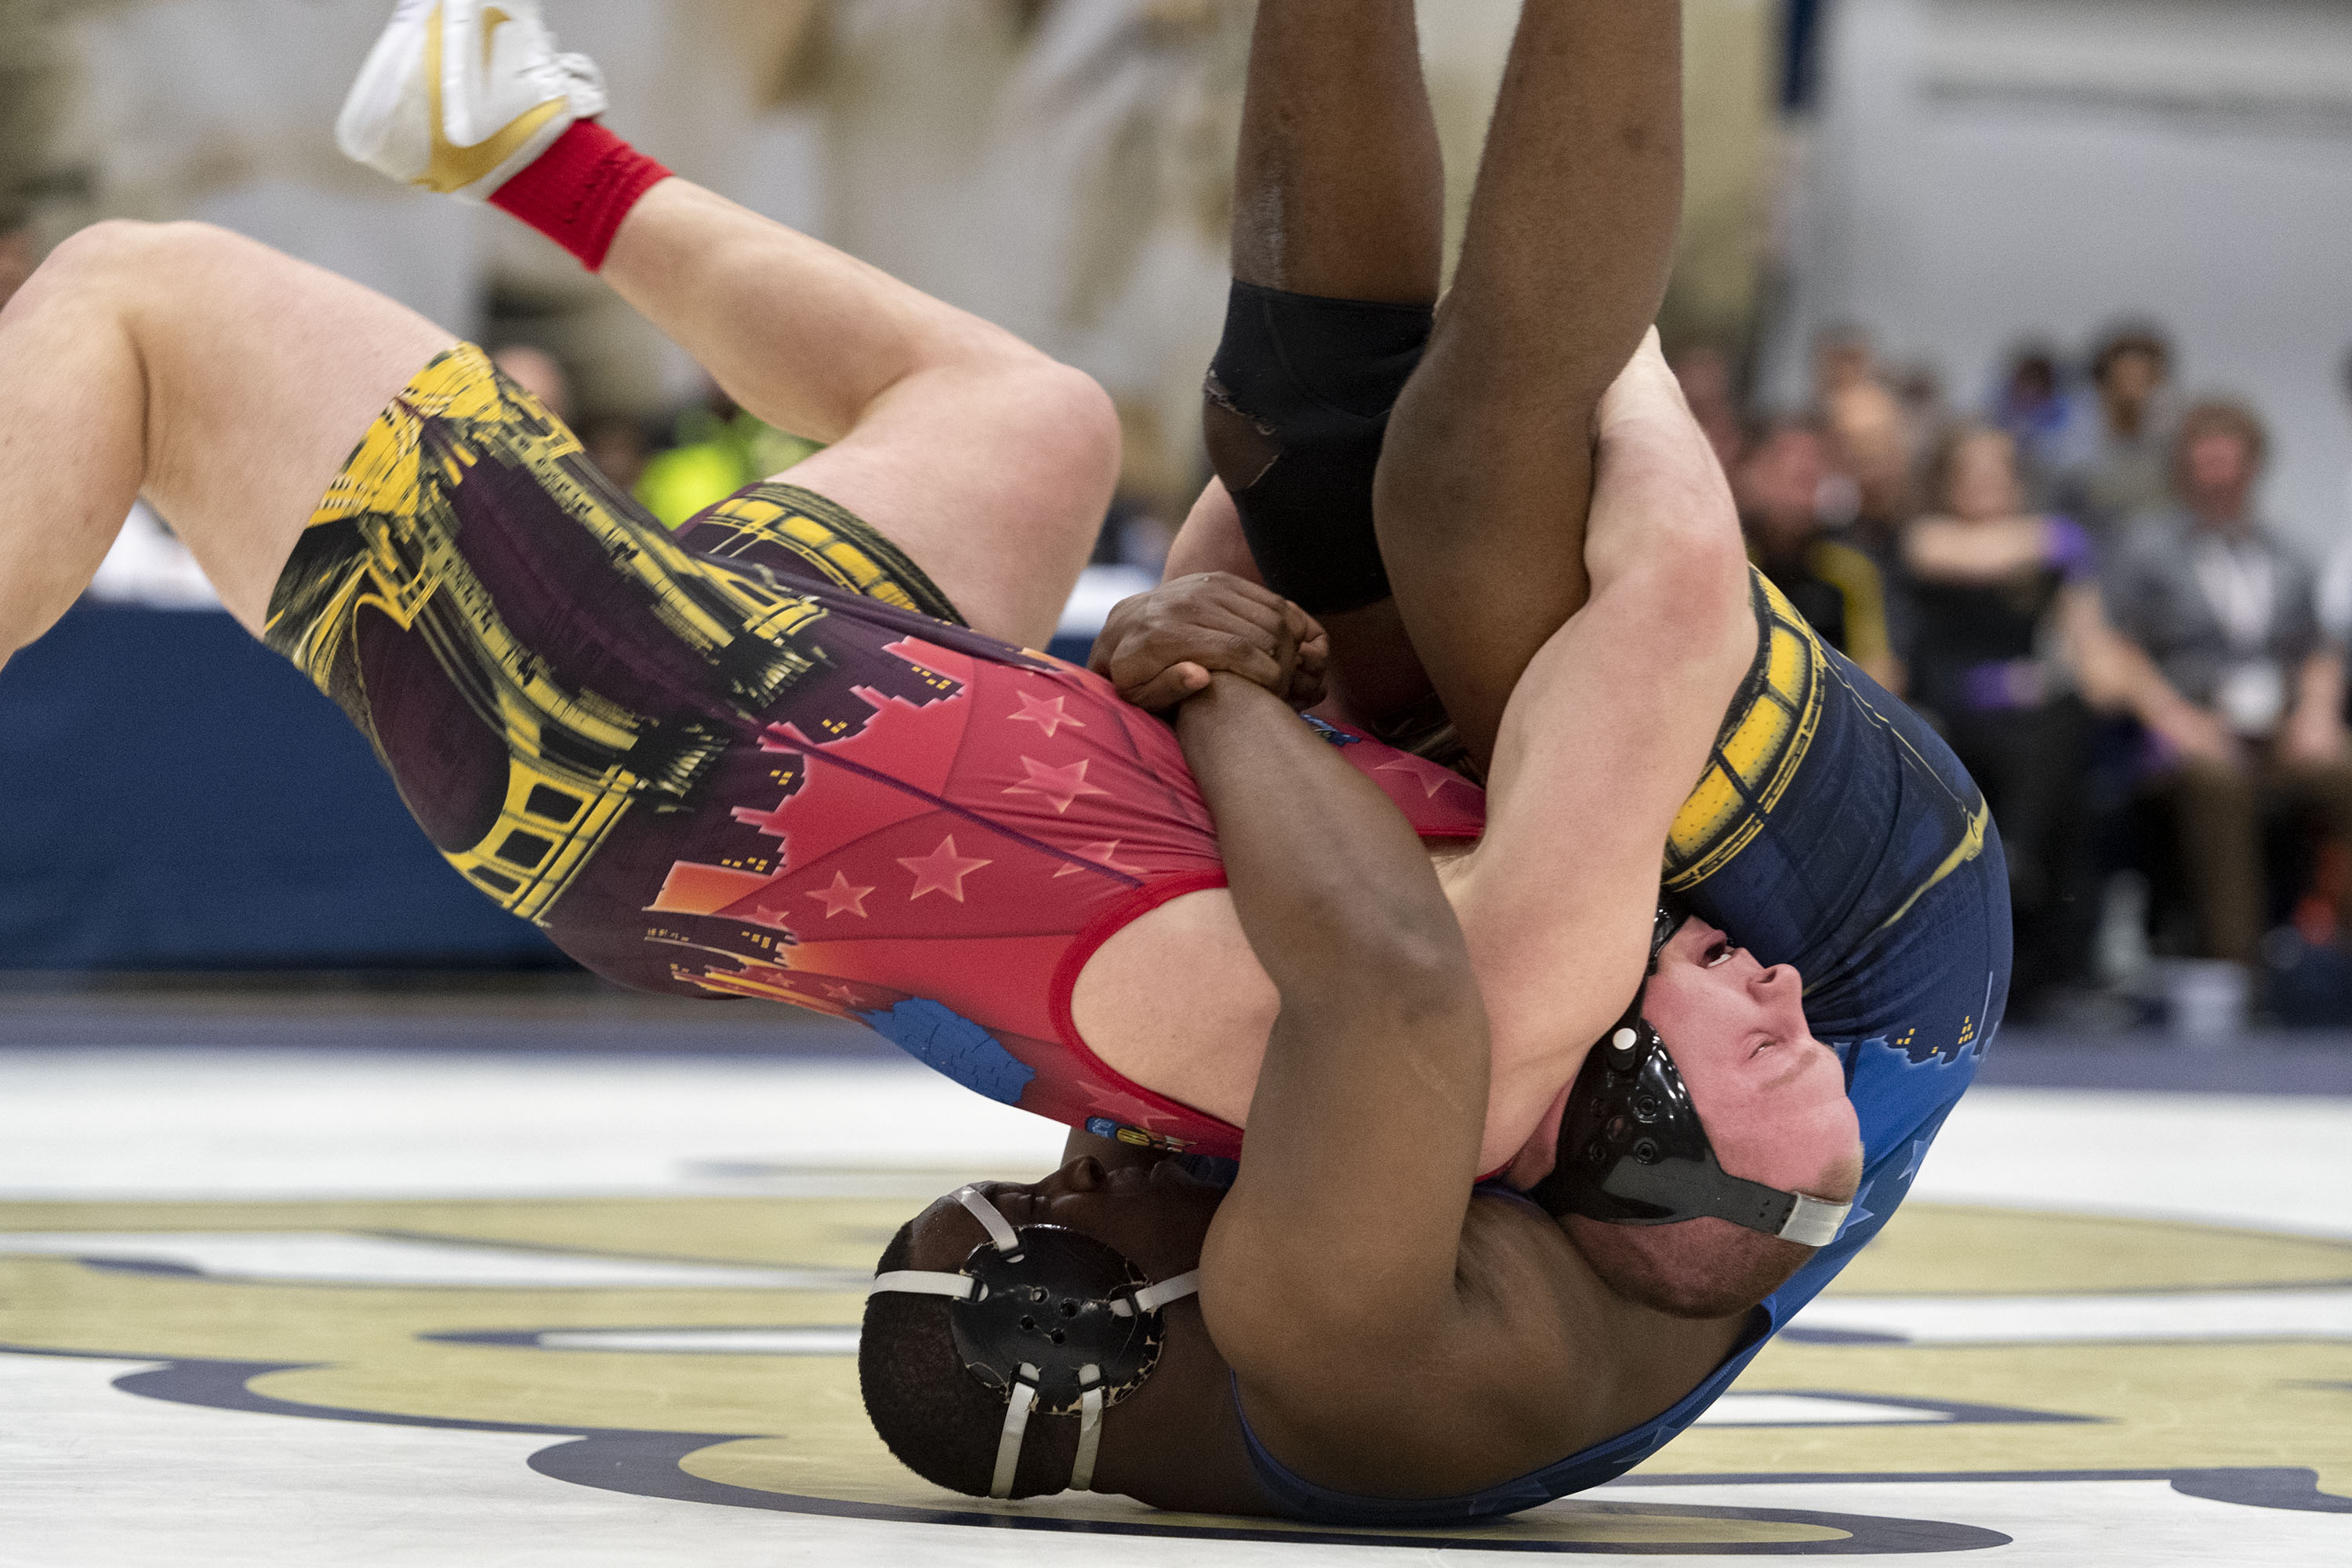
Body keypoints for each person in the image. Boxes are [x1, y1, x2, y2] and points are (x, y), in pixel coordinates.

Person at [863, 0, 2004, 1523]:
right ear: (1087, 1319)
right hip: (1836, 977)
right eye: (1049, 1209)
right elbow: (1387, 966)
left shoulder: (1220, 1302)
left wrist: (1245, 548)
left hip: (1600, 1014)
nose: (1069, 1173)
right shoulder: (1326, 1339)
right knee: (1468, 488)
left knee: (1296, 435)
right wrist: (1207, 673)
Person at [2100, 400, 2352, 971]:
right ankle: (2240, 965)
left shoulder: (2288, 553)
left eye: (2229, 463)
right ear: (2185, 469)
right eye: (2204, 463)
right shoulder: (2148, 547)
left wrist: (2316, 714)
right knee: (2218, 782)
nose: (2217, 476)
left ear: (2252, 467)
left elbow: (2319, 649)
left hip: (2277, 726)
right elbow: (2116, 646)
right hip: (2187, 727)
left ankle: (2335, 959)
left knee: (2346, 770)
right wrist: (2175, 717)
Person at [1904, 423, 2112, 1007]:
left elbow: (2089, 643)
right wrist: (2057, 542)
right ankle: (2014, 859)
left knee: (2066, 721)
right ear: (1946, 482)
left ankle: (2020, 858)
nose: (1988, 484)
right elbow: (1962, 555)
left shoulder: (2050, 547)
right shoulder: (1927, 537)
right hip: (1945, 703)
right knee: (2034, 738)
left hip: (2028, 716)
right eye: (1973, 472)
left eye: (1999, 471)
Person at [1733, 413, 1902, 691]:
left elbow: (1879, 676)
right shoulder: (1723, 562)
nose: (1803, 492)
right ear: (1746, 475)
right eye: (1788, 474)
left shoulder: (1851, 568)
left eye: (1812, 476)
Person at [2055, 325, 2175, 539]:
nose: (2135, 393)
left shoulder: (2175, 449)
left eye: (2145, 380)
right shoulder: (2070, 451)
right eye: (2126, 379)